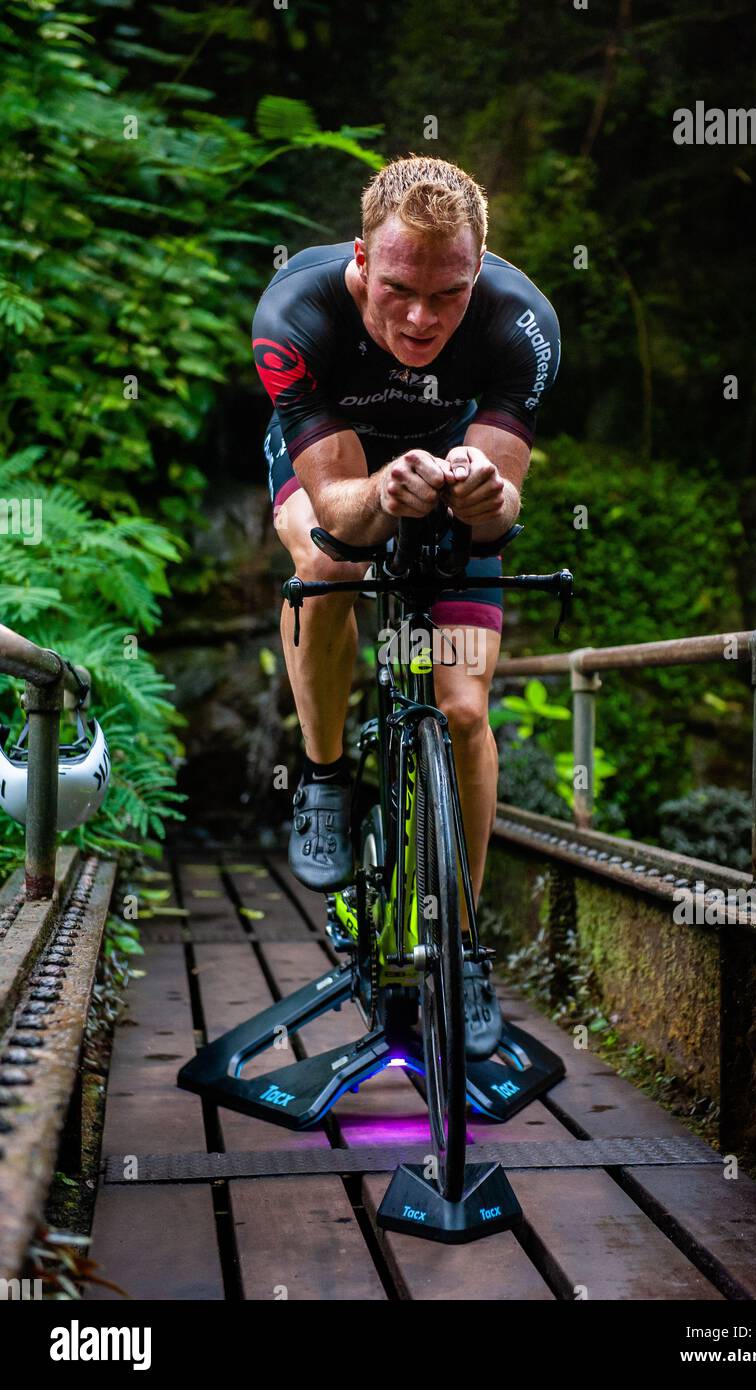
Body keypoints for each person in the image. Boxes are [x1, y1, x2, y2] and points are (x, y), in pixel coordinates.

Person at [252, 154, 560, 1059]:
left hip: (448, 463)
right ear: (359, 260)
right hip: (344, 471)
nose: (421, 318)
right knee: (325, 559)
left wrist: (483, 491)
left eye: (448, 295)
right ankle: (323, 773)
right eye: (398, 290)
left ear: (478, 273)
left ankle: (461, 943)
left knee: (463, 711)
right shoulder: (294, 314)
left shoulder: (522, 323)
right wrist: (384, 486)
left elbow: (501, 511)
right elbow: (343, 516)